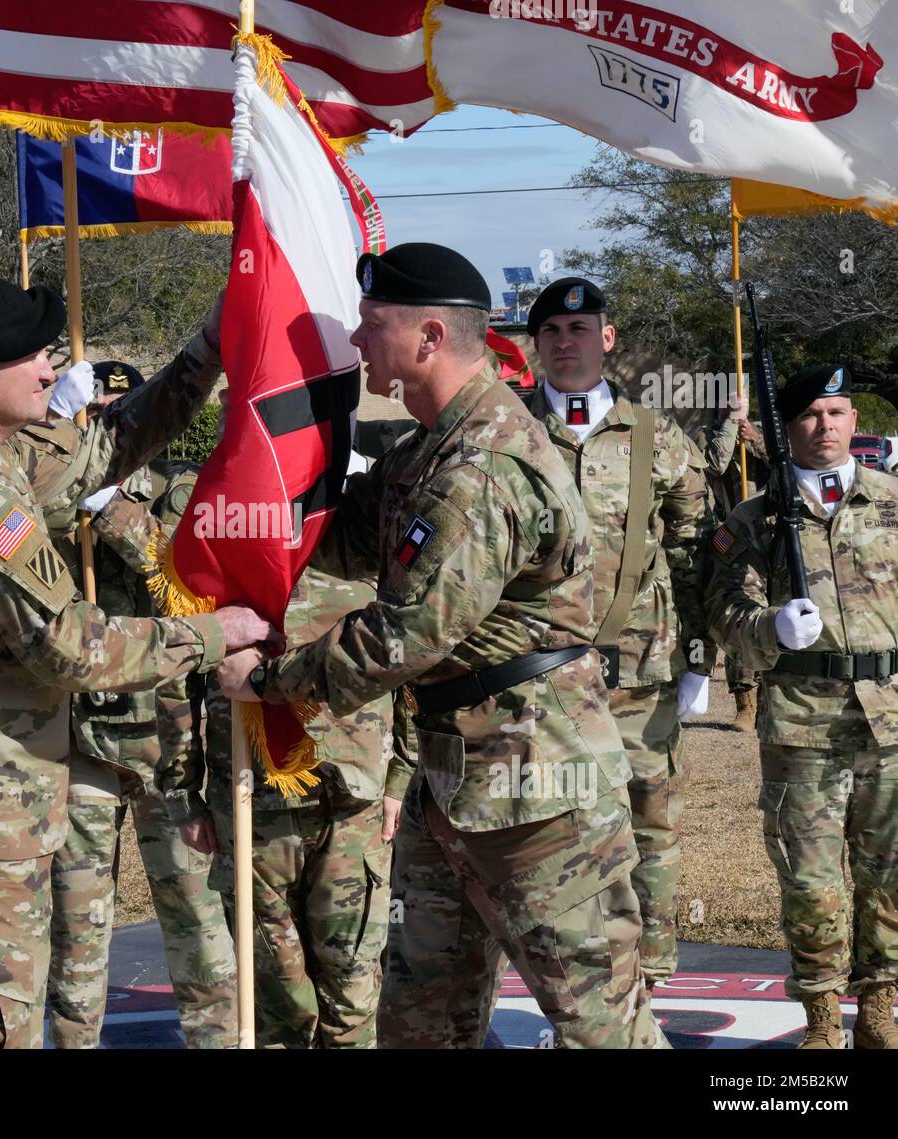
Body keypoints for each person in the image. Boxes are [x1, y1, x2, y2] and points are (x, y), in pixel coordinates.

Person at [218, 243, 661, 1048]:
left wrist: (271, 679)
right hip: (452, 782)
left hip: (538, 790)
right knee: (421, 1021)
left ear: (427, 336)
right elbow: (348, 539)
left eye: (369, 322)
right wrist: (246, 485)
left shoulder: (485, 463)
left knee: (601, 1025)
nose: (354, 339)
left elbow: (408, 631)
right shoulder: (426, 450)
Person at [0, 273, 272, 1049]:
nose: (51, 373)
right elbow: (74, 646)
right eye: (37, 357)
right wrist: (213, 633)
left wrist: (207, 351)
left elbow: (103, 450)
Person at [95, 449, 407, 1048]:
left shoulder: (367, 530)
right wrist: (183, 793)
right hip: (251, 798)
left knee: (353, 998)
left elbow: (409, 662)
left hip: (354, 800)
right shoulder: (225, 534)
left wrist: (399, 781)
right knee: (277, 1001)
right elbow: (180, 672)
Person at [10, 360, 238, 1050]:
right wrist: (59, 455)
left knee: (195, 913)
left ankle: (216, 1039)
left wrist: (109, 504)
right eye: (99, 405)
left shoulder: (187, 488)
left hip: (169, 744)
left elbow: (182, 578)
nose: (108, 413)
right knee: (77, 918)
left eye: (121, 404)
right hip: (83, 733)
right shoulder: (54, 491)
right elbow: (6, 525)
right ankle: (76, 1040)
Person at [524, 278, 713, 990]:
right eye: (552, 332)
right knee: (553, 836)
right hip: (534, 680)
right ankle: (575, 994)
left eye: (580, 329)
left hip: (638, 673)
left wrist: (700, 661)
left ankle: (650, 986)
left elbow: (697, 552)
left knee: (650, 829)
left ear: (607, 339)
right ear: (535, 346)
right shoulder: (505, 428)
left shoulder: (656, 436)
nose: (566, 341)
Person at [708, 364, 898, 1050]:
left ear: (855, 419)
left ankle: (879, 1006)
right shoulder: (753, 518)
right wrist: (768, 630)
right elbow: (725, 612)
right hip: (801, 722)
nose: (826, 426)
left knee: (889, 873)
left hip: (891, 720)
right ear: (787, 429)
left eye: (838, 411)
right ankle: (821, 1016)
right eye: (812, 414)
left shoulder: (892, 500)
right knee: (811, 881)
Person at [683, 388, 764, 731]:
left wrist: (756, 438)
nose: (732, 405)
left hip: (761, 535)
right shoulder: (703, 437)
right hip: (722, 537)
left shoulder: (760, 431)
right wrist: (732, 426)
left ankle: (768, 699)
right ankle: (744, 701)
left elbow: (786, 463)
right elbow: (714, 463)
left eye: (738, 400)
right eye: (727, 401)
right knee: (734, 611)